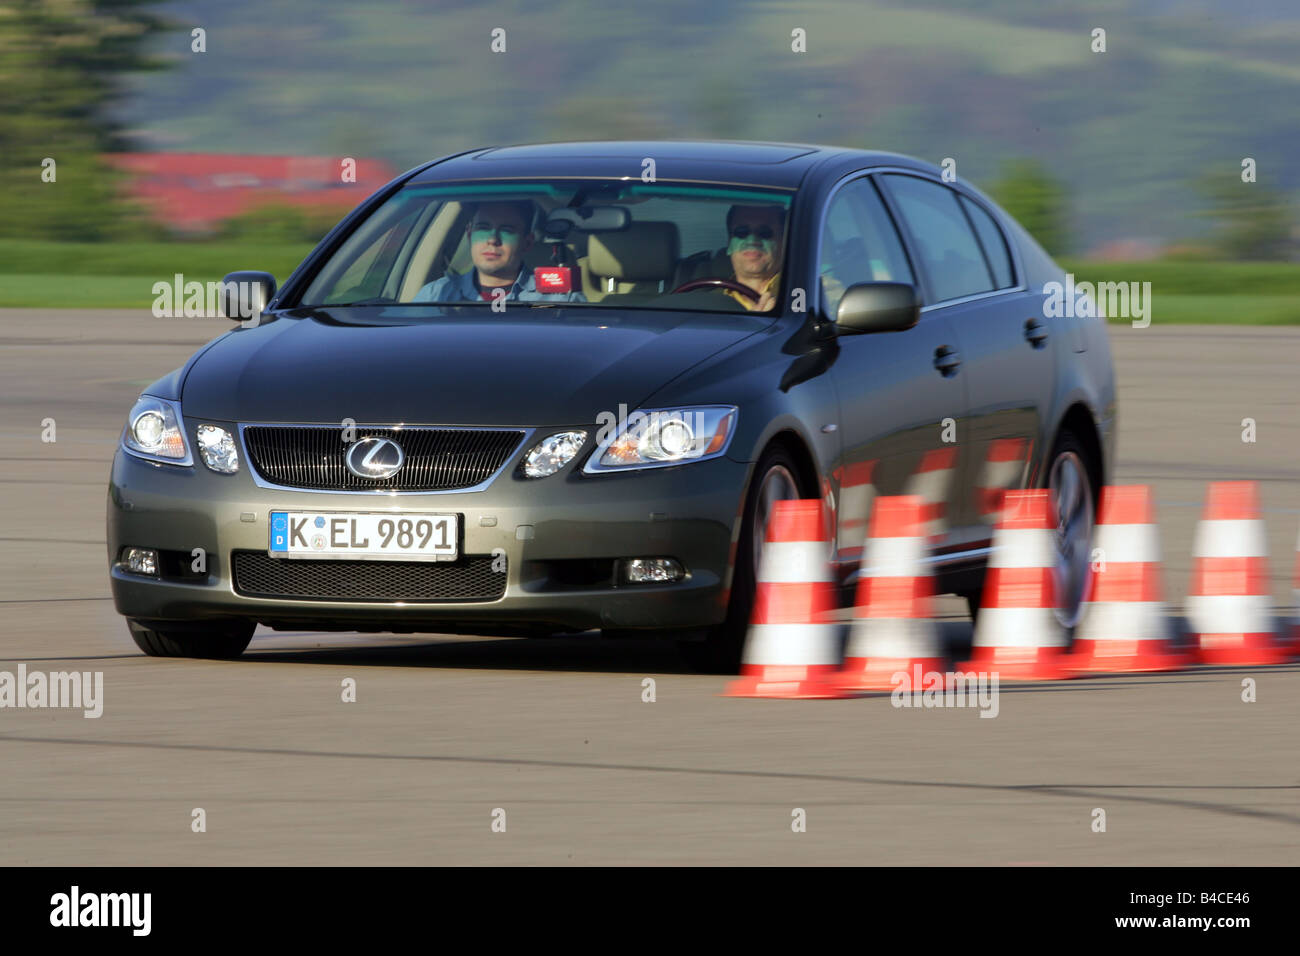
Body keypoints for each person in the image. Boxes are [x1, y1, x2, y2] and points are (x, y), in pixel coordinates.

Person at [415, 200, 586, 303]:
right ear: (469, 235)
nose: (492, 239)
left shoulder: (561, 299)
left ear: (527, 243)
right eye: (483, 228)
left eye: (507, 230)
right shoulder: (436, 295)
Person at [722, 204, 785, 311]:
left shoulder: (803, 293)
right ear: (729, 245)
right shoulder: (705, 301)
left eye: (764, 232)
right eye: (742, 232)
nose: (752, 241)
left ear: (783, 243)